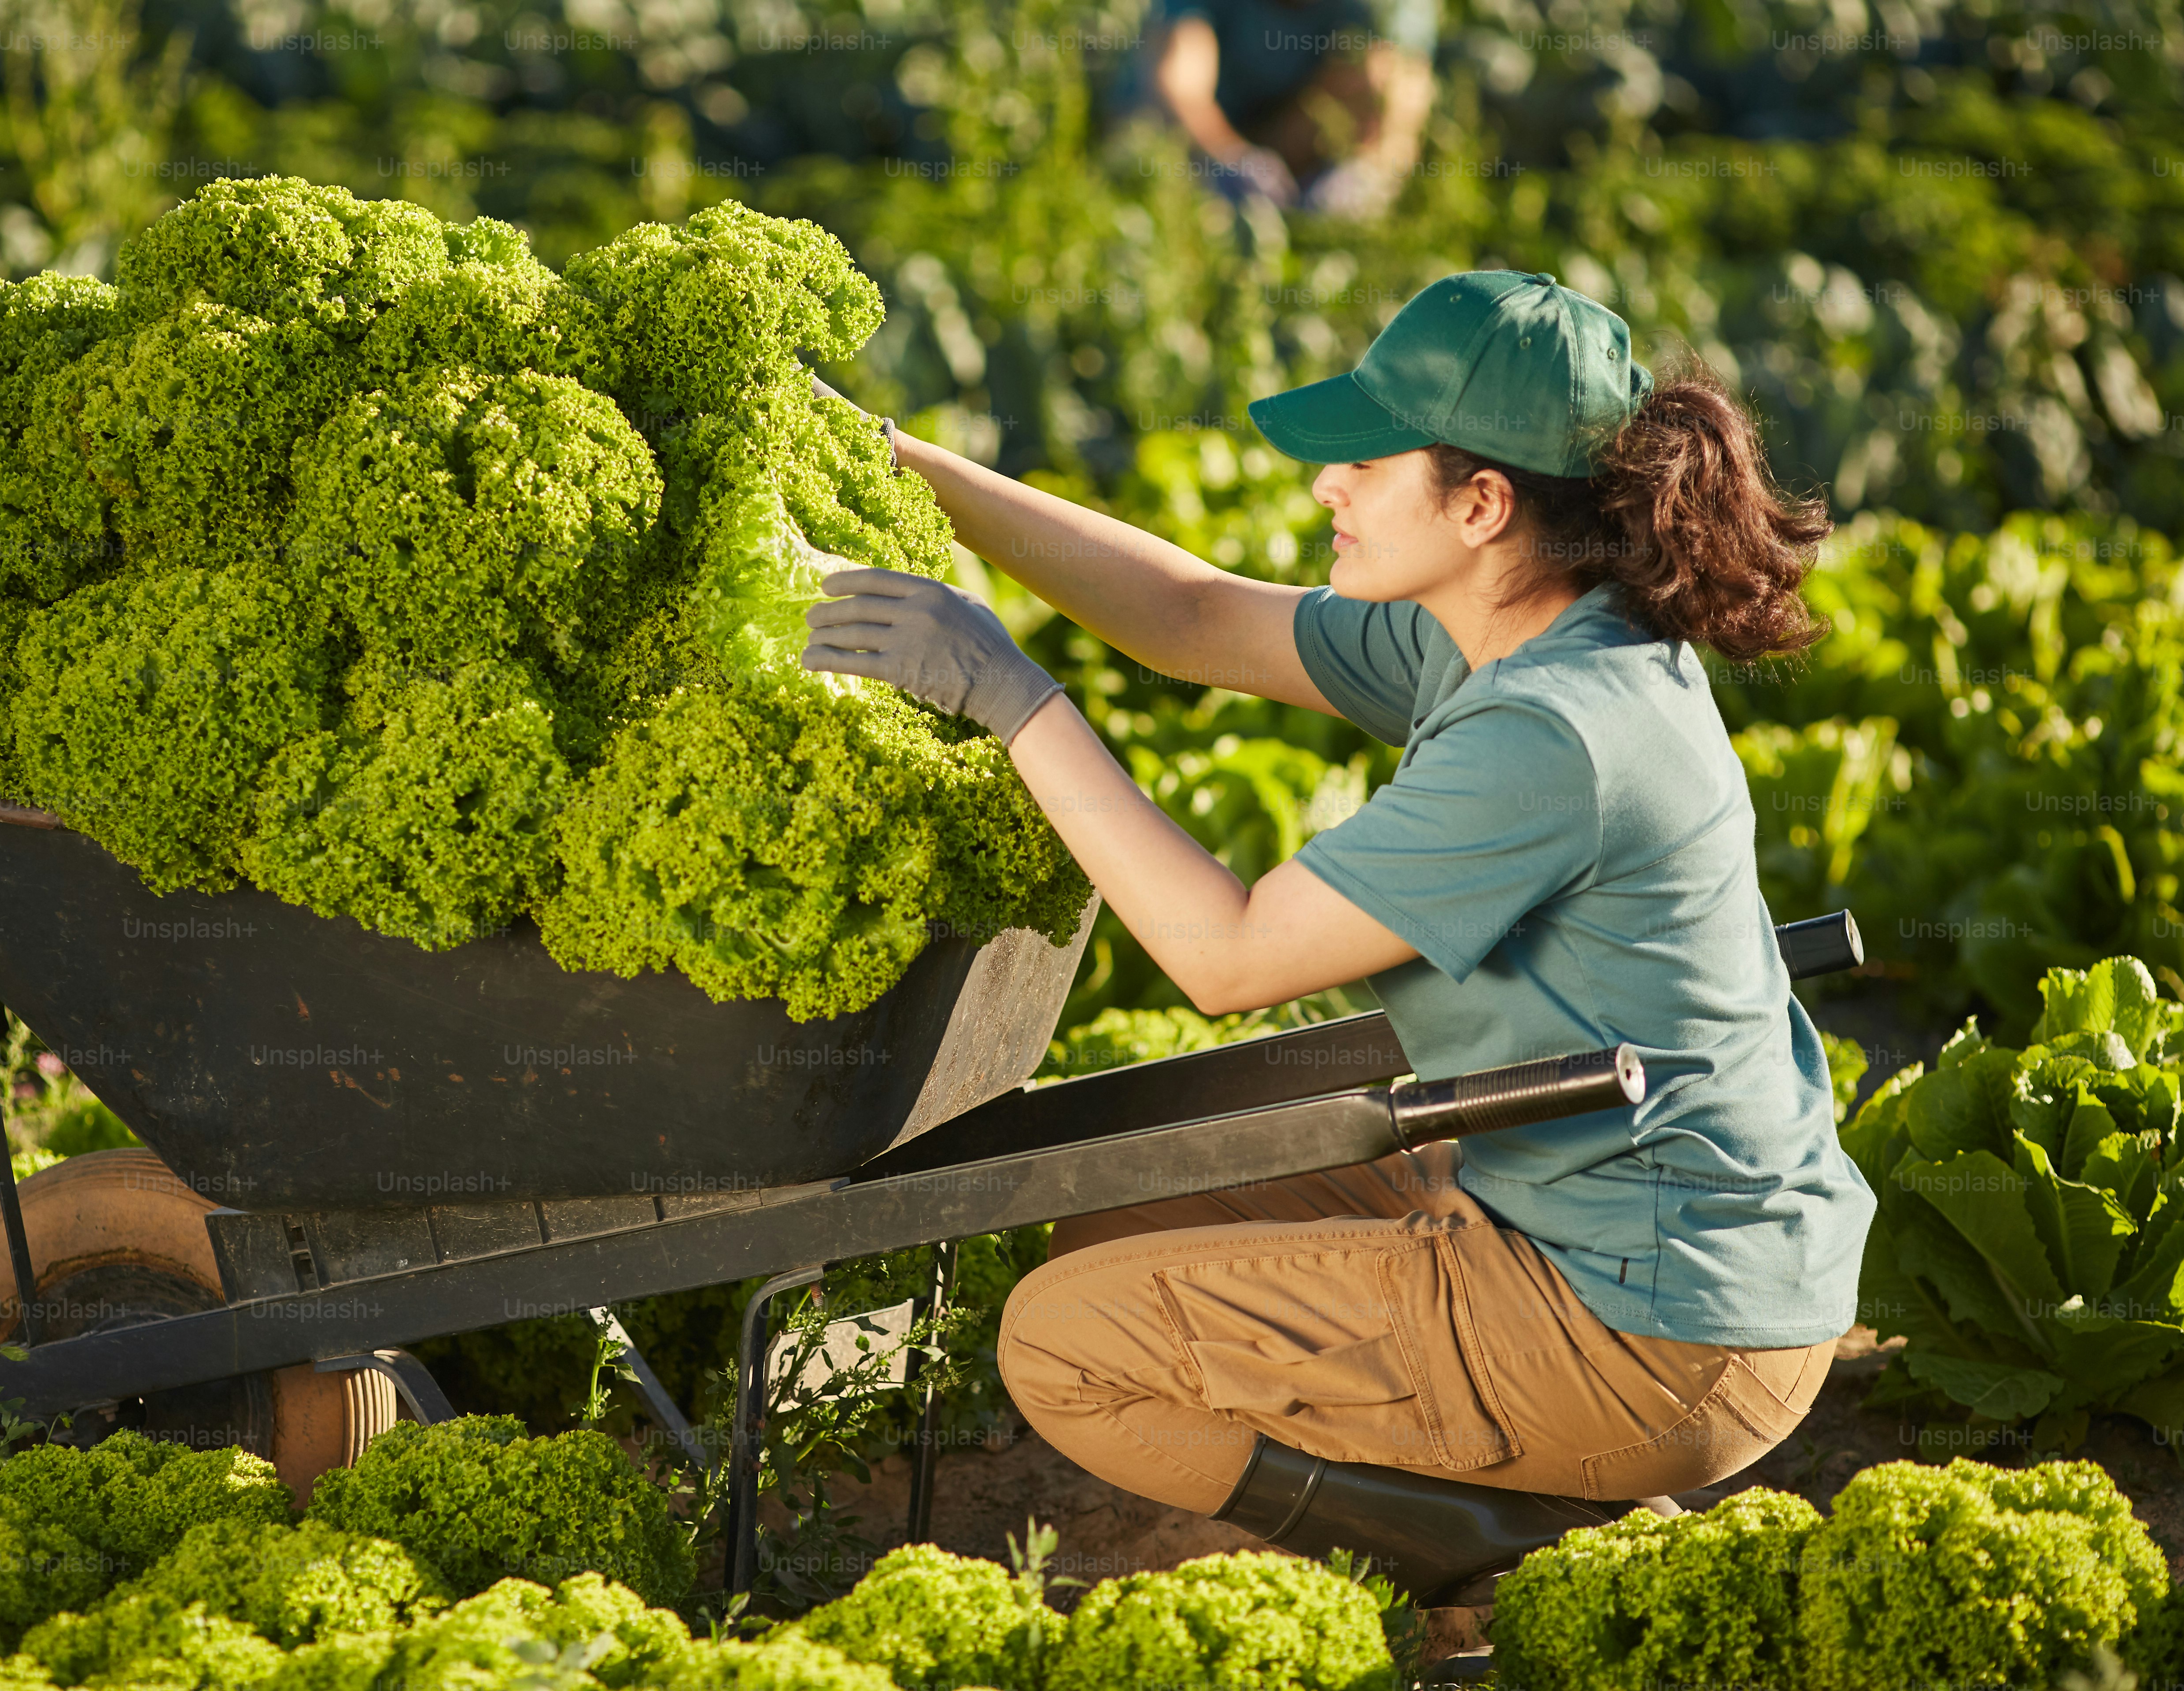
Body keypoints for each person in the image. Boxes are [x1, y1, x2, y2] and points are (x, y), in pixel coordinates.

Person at [800, 271, 1877, 1605]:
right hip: (1594, 1233)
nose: (1329, 489)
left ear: (1480, 504)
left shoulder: (1553, 730)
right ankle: (1525, 1472)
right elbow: (1191, 616)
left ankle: (1483, 1538)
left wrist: (1011, 698)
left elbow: (1228, 959)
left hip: (1654, 1328)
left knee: (1068, 1344)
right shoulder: (1502, 626)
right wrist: (901, 461)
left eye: (1364, 464)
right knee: (1109, 1218)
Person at [1136, 0, 1435, 217]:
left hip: (1294, 136)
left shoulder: (1385, 9)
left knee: (1376, 73)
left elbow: (1402, 104)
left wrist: (1369, 174)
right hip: (1188, 146)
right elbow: (1178, 87)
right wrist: (1229, 156)